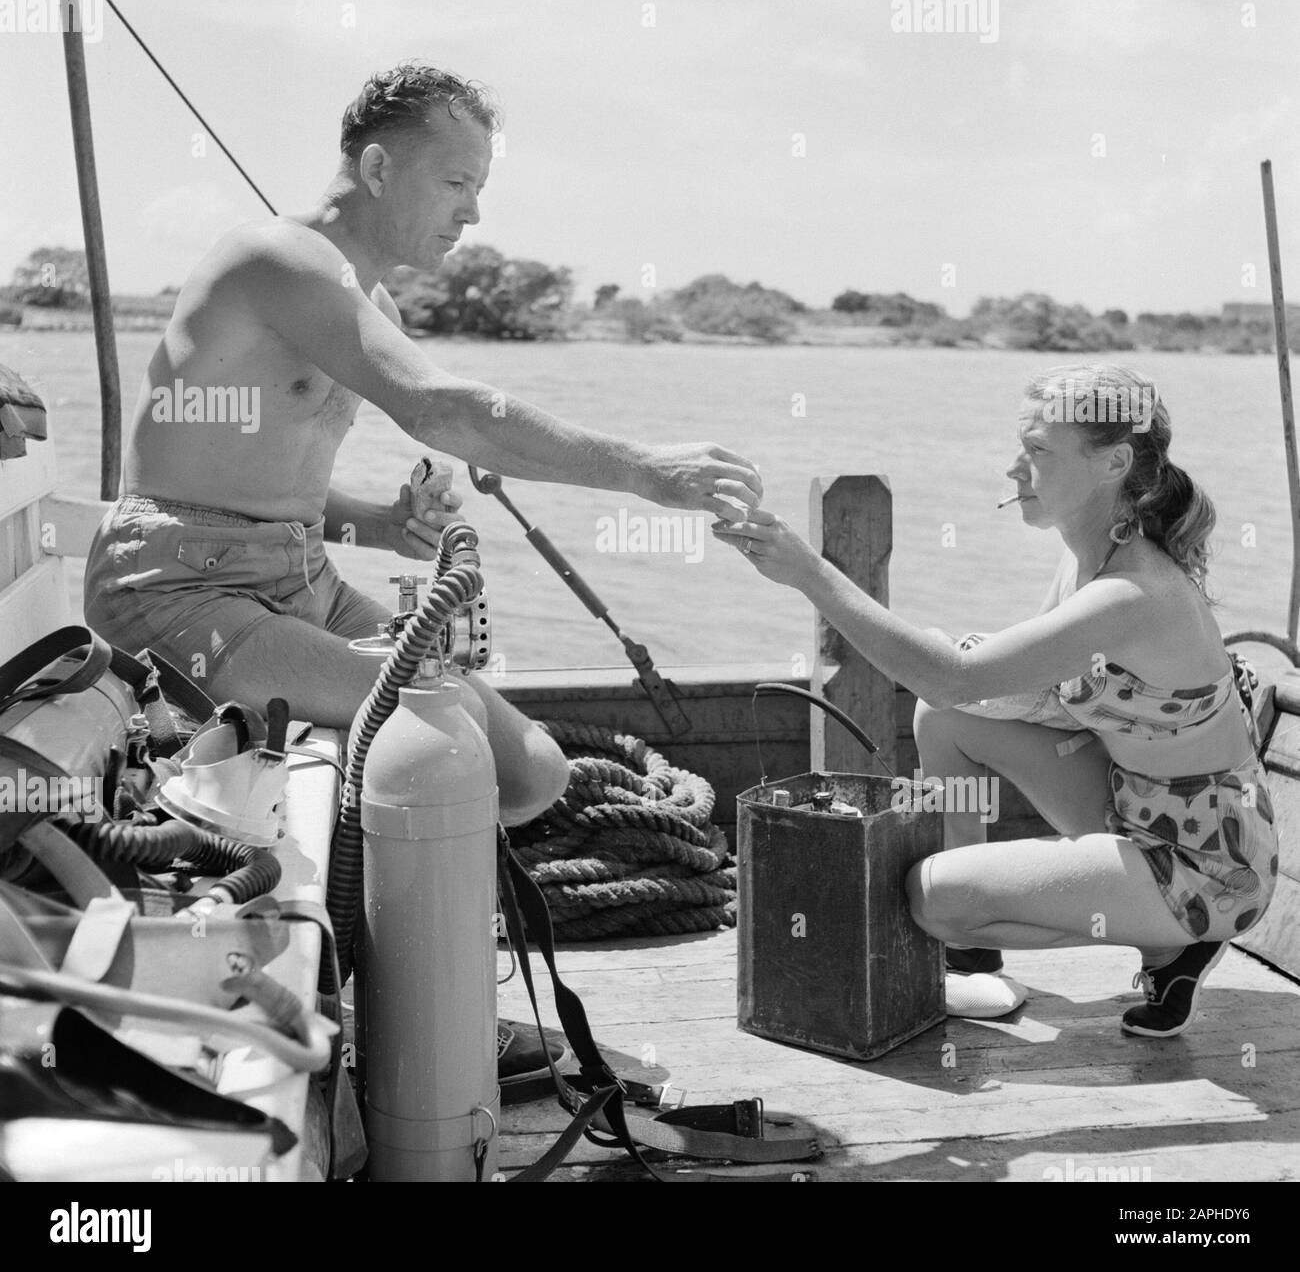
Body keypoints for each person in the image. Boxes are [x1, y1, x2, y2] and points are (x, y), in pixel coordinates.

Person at [82, 60, 761, 1082]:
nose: (475, 212)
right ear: (376, 163)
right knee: (430, 739)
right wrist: (644, 470)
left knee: (530, 769)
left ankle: (403, 978)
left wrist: (379, 520)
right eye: (457, 183)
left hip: (290, 571)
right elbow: (444, 408)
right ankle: (417, 1025)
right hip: (174, 582)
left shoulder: (365, 298)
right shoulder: (280, 258)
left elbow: (273, 475)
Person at [715, 364, 1276, 1038]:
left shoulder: (1130, 595)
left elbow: (952, 675)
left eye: (1038, 451)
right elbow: (991, 692)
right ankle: (970, 954)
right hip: (1131, 802)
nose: (1014, 468)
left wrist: (810, 573)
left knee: (927, 894)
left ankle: (1170, 940)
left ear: (1114, 462)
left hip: (1204, 863)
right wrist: (963, 665)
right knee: (945, 718)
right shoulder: (1087, 554)